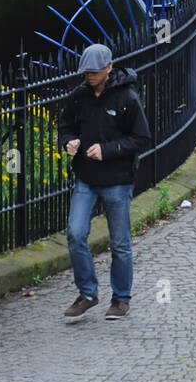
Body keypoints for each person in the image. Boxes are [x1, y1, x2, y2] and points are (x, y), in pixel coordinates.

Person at [58, 43, 151, 320]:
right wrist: (68, 141)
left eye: (95, 72)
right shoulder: (79, 96)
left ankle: (121, 299)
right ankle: (87, 293)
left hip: (118, 181)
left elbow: (141, 138)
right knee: (75, 234)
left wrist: (107, 150)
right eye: (87, 72)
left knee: (120, 243)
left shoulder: (127, 97)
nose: (90, 76)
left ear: (109, 68)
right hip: (86, 177)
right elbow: (65, 126)